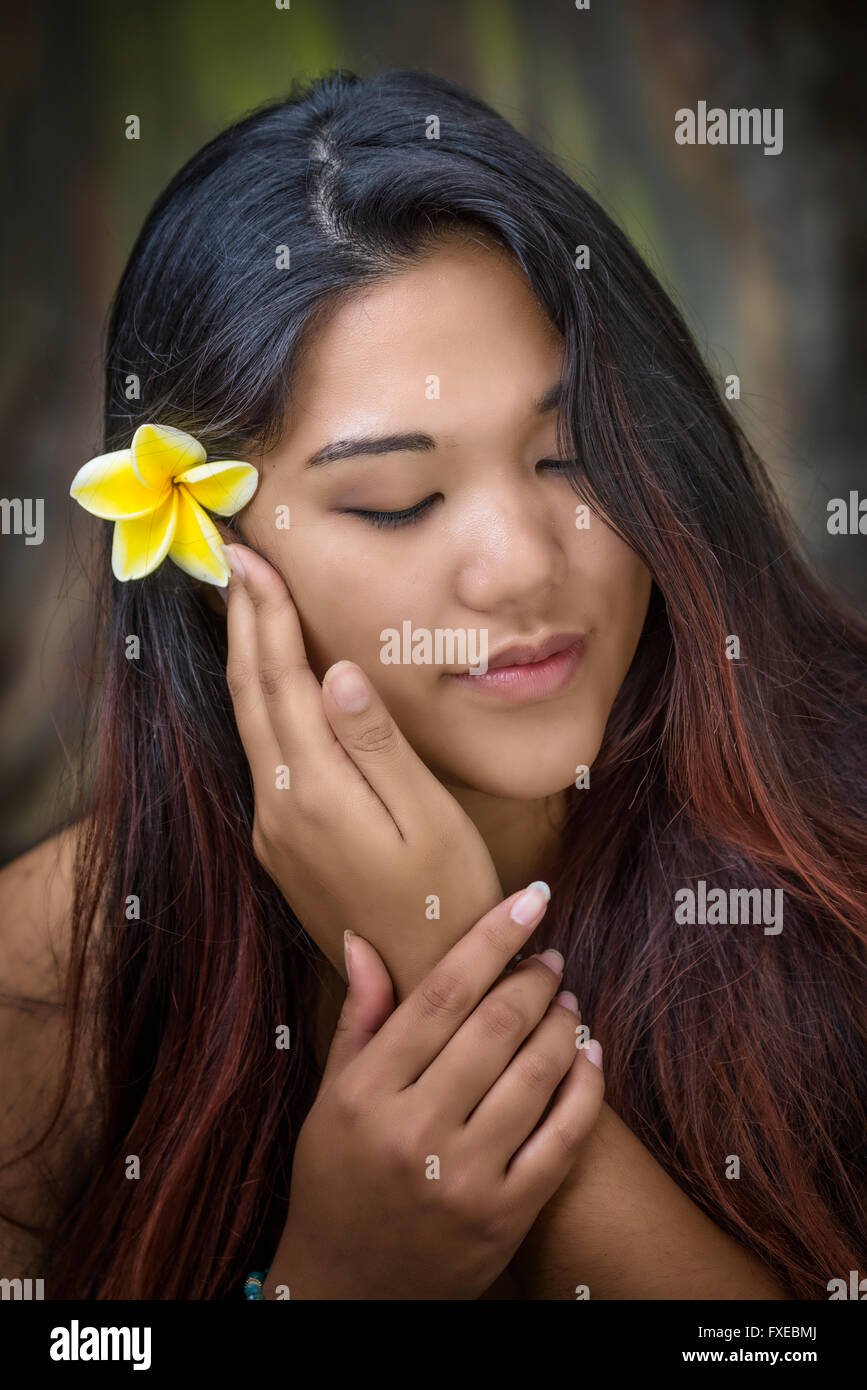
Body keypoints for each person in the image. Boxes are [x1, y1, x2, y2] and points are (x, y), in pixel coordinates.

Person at [1, 67, 864, 1300]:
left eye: (575, 454)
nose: (520, 566)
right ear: (209, 559)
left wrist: (449, 957)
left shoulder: (834, 831)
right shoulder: (46, 976)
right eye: (398, 502)